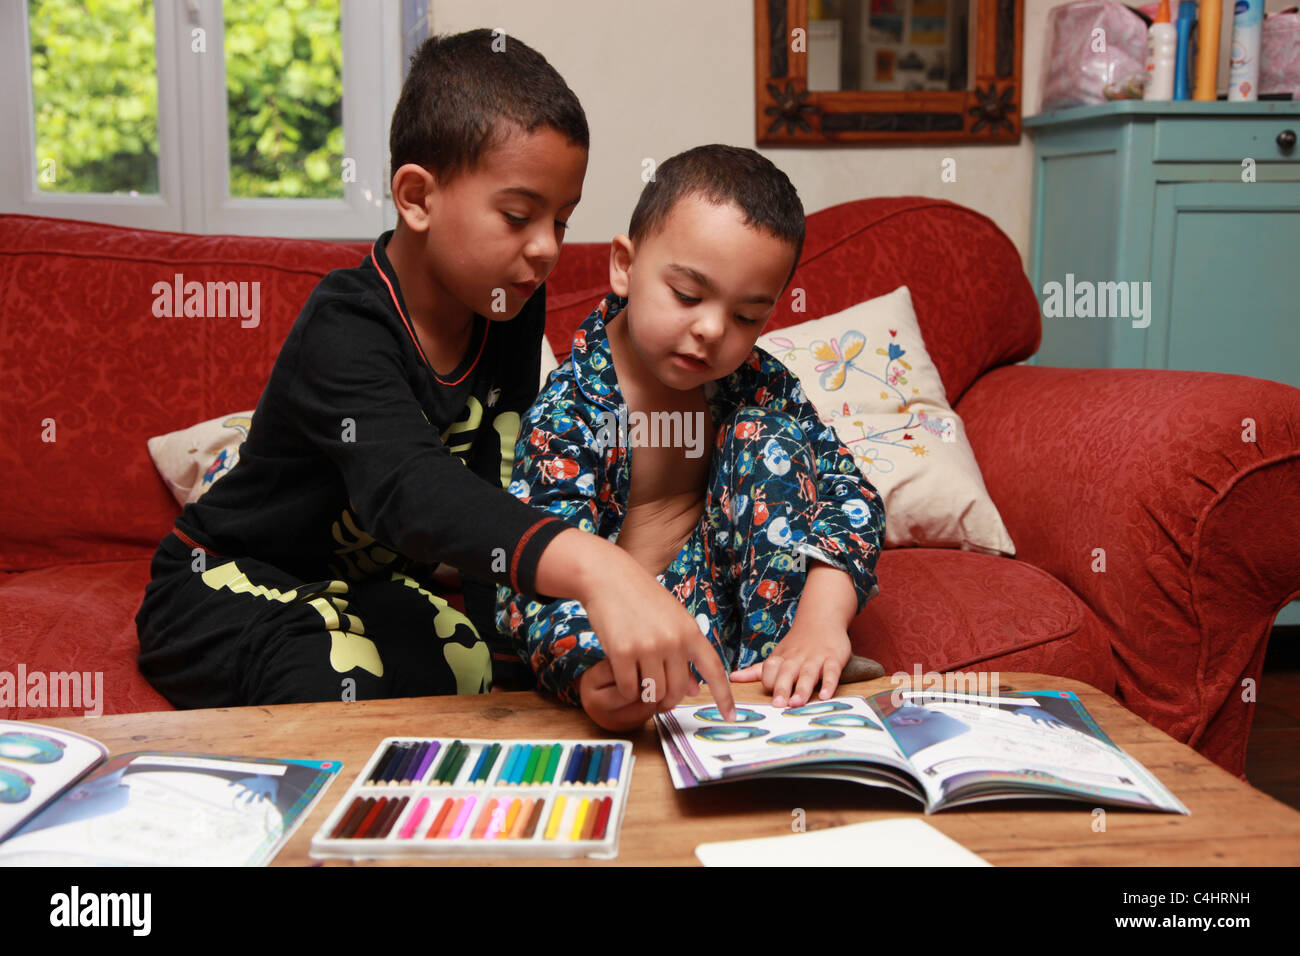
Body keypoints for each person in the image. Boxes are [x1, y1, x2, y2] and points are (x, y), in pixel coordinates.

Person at [135, 30, 738, 722]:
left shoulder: (509, 305)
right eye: (518, 216)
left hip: (356, 592)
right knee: (330, 675)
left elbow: (495, 489)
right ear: (417, 197)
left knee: (469, 665)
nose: (546, 248)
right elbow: (409, 489)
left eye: (562, 220)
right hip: (222, 581)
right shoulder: (344, 325)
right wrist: (598, 564)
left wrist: (562, 672)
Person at [497, 145, 886, 731]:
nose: (711, 329)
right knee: (552, 578)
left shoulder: (754, 381)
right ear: (625, 267)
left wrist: (821, 622)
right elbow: (538, 568)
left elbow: (851, 495)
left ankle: (790, 669)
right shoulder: (570, 410)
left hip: (748, 633)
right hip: (628, 636)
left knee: (766, 434)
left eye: (747, 317)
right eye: (686, 295)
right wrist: (591, 670)